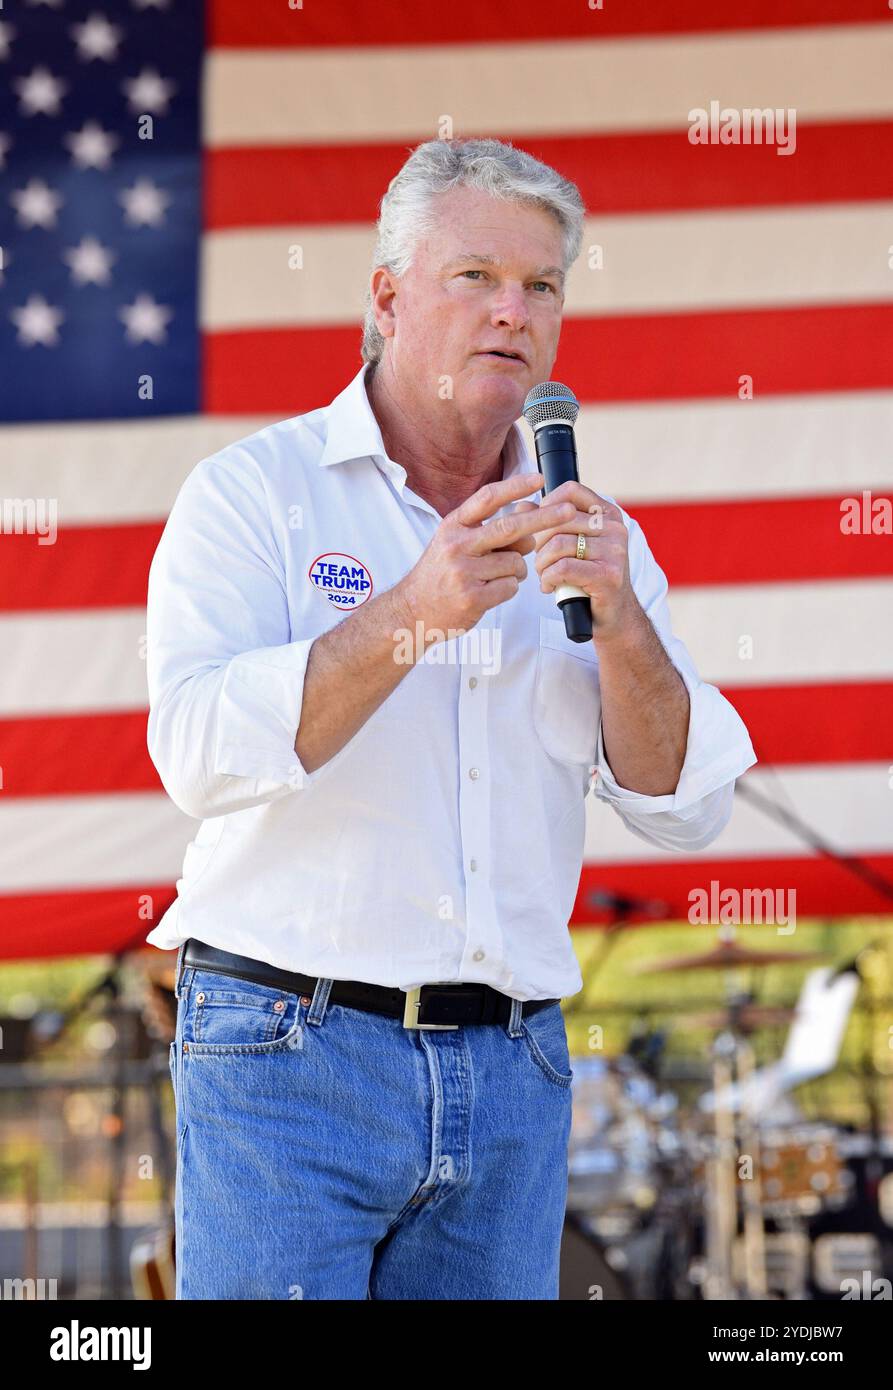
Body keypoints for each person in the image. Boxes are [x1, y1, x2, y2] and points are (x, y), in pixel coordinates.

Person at [146, 137, 757, 1300]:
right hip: (289, 1054)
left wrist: (621, 625)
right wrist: (412, 613)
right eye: (473, 275)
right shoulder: (251, 494)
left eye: (540, 286)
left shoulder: (590, 536)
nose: (511, 312)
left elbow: (686, 806)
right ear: (385, 296)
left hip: (512, 1063)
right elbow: (195, 755)